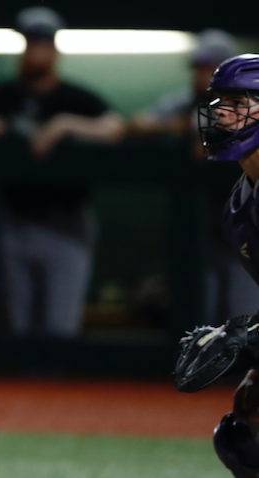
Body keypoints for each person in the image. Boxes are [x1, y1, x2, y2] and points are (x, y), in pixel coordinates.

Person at [0, 5, 124, 338]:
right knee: (21, 325)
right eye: (29, 42)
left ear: (54, 49)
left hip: (66, 221)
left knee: (59, 327)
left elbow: (115, 127)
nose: (34, 51)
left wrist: (65, 124)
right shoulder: (5, 94)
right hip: (15, 220)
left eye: (42, 43)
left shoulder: (74, 97)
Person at [129, 29, 257, 323]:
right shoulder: (186, 102)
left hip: (247, 225)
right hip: (205, 228)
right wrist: (182, 128)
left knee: (247, 319)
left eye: (211, 67)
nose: (203, 74)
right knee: (203, 325)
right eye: (199, 67)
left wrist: (205, 133)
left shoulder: (249, 104)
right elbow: (137, 123)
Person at [197, 53, 259, 477]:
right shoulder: (240, 205)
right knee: (242, 428)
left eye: (239, 103)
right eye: (221, 102)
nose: (223, 114)